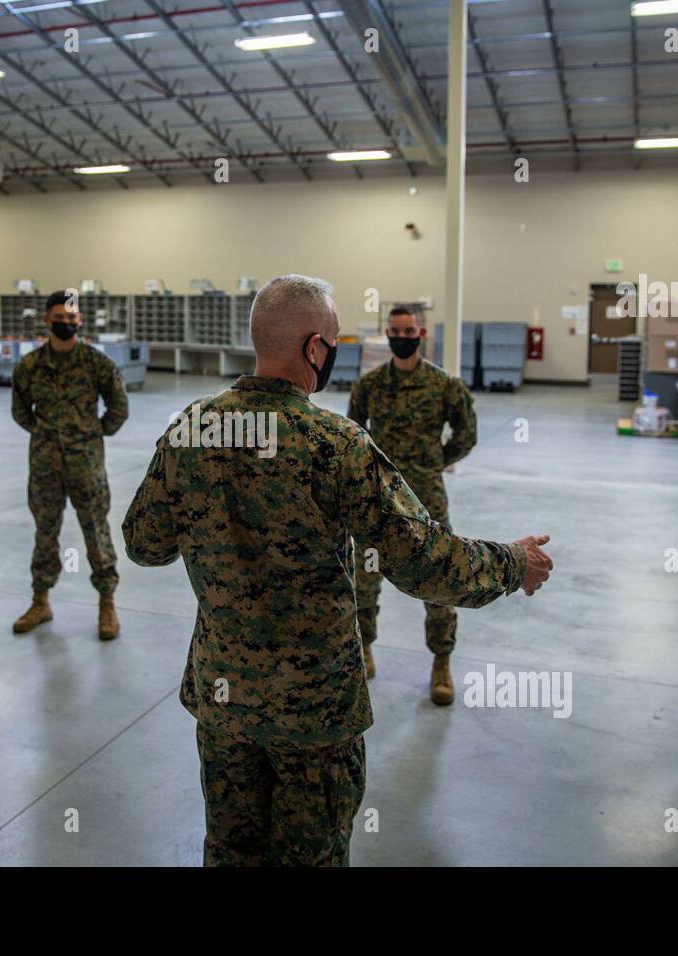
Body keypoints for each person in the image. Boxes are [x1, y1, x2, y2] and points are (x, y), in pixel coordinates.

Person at [123, 275, 553, 866]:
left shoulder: (191, 429)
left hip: (225, 701)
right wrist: (512, 562)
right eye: (333, 341)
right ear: (313, 349)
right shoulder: (336, 445)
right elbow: (423, 562)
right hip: (314, 709)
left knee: (231, 851)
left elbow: (144, 544)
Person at [348, 305, 477, 704]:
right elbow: (355, 435)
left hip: (426, 500)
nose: (401, 336)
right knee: (364, 579)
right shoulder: (369, 385)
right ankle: (363, 648)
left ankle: (442, 661)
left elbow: (466, 433)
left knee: (438, 578)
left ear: (420, 334)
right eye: (395, 330)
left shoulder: (444, 385)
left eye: (409, 330)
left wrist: (435, 461)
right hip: (378, 500)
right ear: (388, 334)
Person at [11, 289, 129, 640]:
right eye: (59, 319)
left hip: (86, 465)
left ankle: (107, 604)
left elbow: (118, 407)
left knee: (96, 532)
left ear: (80, 322)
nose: (65, 324)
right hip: (45, 465)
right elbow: (20, 411)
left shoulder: (97, 363)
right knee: (44, 533)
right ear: (47, 320)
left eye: (71, 320)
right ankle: (40, 601)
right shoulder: (30, 366)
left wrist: (92, 434)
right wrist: (45, 434)